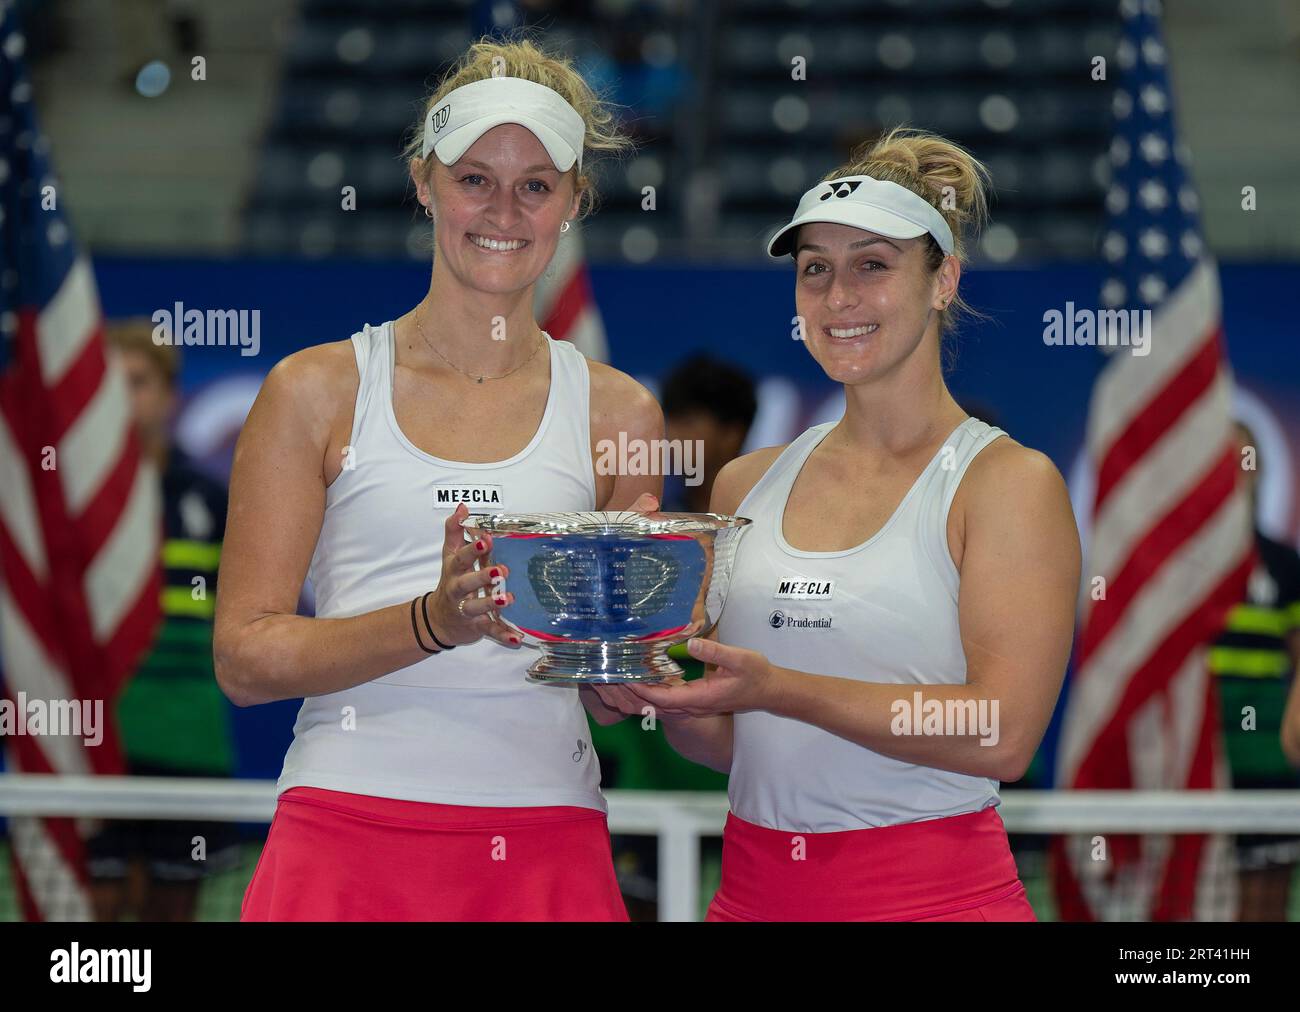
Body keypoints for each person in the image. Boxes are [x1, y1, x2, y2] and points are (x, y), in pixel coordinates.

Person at [215, 37, 662, 921]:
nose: (504, 208)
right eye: (474, 178)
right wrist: (433, 620)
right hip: (346, 829)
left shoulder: (622, 414)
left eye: (537, 183)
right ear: (424, 182)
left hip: (545, 833)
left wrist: (632, 667)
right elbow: (244, 658)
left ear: (574, 200)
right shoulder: (315, 390)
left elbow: (610, 702)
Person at [596, 127, 1080, 921]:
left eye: (872, 265)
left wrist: (782, 687)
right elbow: (732, 744)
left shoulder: (1006, 484)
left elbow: (1000, 733)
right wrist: (654, 694)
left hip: (935, 901)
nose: (839, 296)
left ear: (943, 280)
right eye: (815, 269)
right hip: (753, 894)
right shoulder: (748, 481)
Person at [88, 319, 239, 921]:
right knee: (99, 910)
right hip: (97, 747)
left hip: (189, 741)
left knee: (172, 910)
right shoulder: (70, 500)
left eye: (139, 382)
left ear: (169, 396)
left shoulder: (208, 498)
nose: (125, 398)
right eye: (110, 384)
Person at [1211, 420, 1300, 921]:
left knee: (1264, 908)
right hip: (1202, 769)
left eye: (1243, 460)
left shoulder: (1284, 565)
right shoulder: (1179, 565)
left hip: (1270, 766)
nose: (1235, 472)